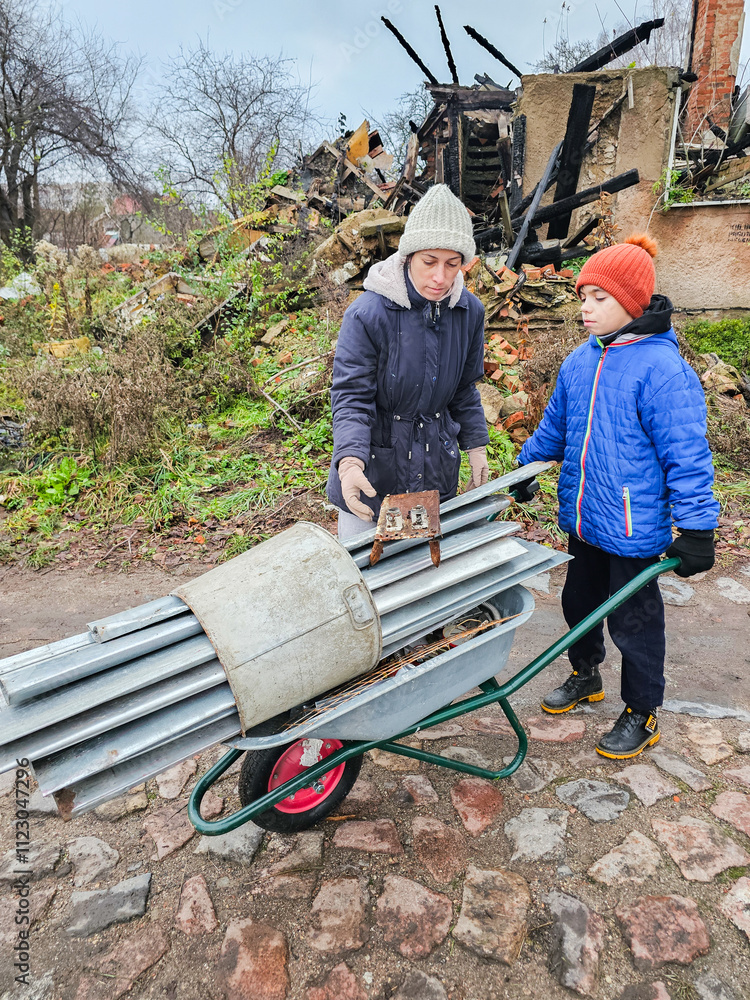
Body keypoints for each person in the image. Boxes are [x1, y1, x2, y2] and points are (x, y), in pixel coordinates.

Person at [518, 234, 719, 759]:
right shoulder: (580, 362)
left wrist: (698, 528)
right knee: (577, 604)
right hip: (585, 519)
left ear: (630, 303)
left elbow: (687, 455)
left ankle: (642, 711)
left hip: (633, 529)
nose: (584, 307)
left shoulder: (662, 370)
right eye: (582, 296)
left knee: (634, 624)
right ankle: (586, 675)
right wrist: (525, 465)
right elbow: (555, 429)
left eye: (598, 298)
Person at [326, 184, 490, 540]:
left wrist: (476, 447)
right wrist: (350, 462)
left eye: (452, 264)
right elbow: (352, 397)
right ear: (409, 256)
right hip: (375, 474)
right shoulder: (368, 314)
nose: (440, 277)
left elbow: (464, 390)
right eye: (430, 262)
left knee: (416, 575)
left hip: (434, 470)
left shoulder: (468, 312)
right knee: (368, 579)